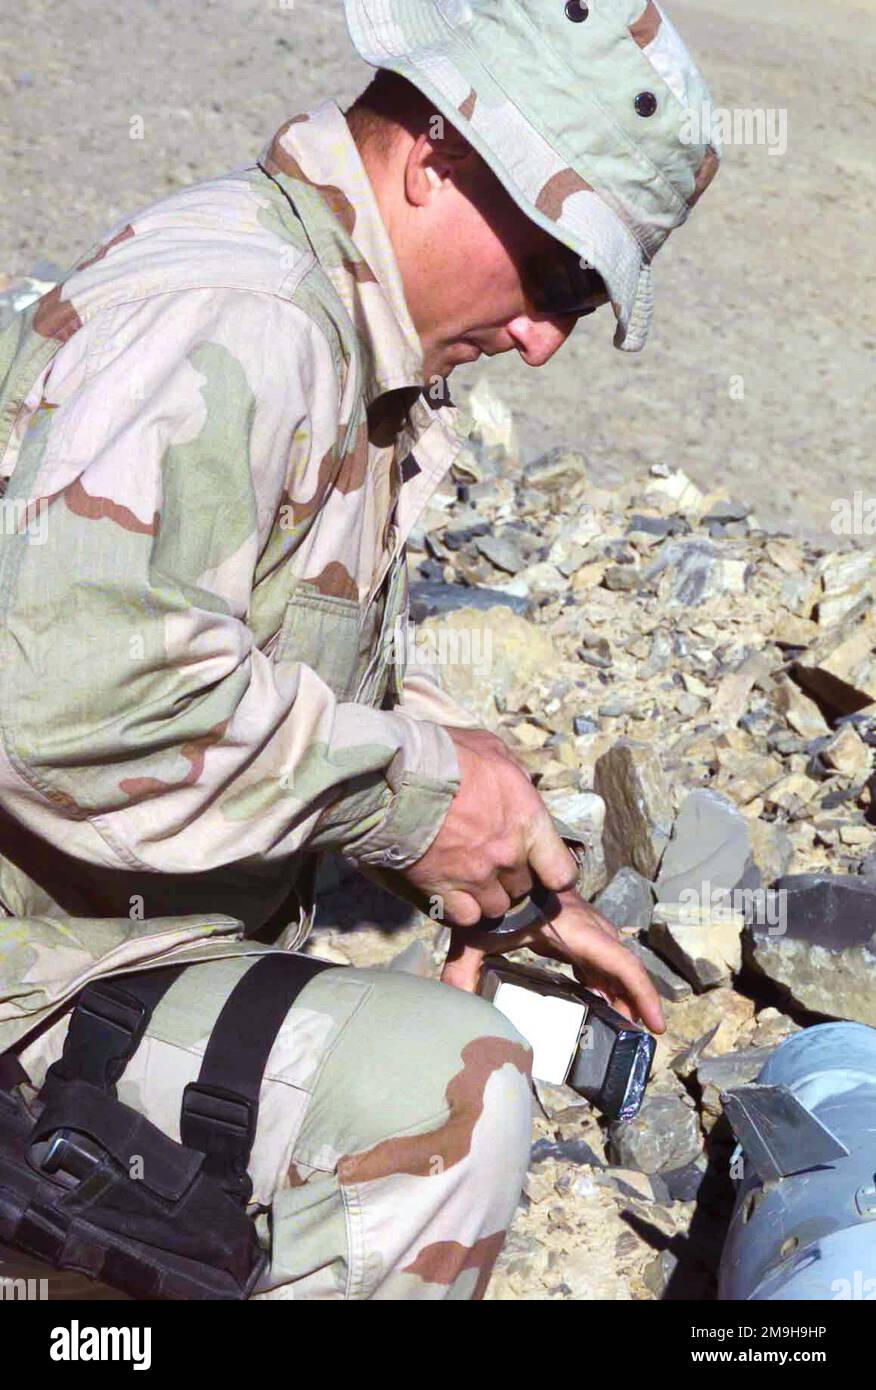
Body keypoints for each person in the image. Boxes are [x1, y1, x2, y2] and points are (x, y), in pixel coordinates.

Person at [0, 0, 719, 1298]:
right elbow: (59, 698)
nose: (547, 338)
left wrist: (503, 870)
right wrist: (419, 800)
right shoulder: (237, 311)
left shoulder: (347, 340)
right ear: (434, 153)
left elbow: (300, 655)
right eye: (557, 274)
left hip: (115, 952)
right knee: (453, 1098)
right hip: (35, 989)